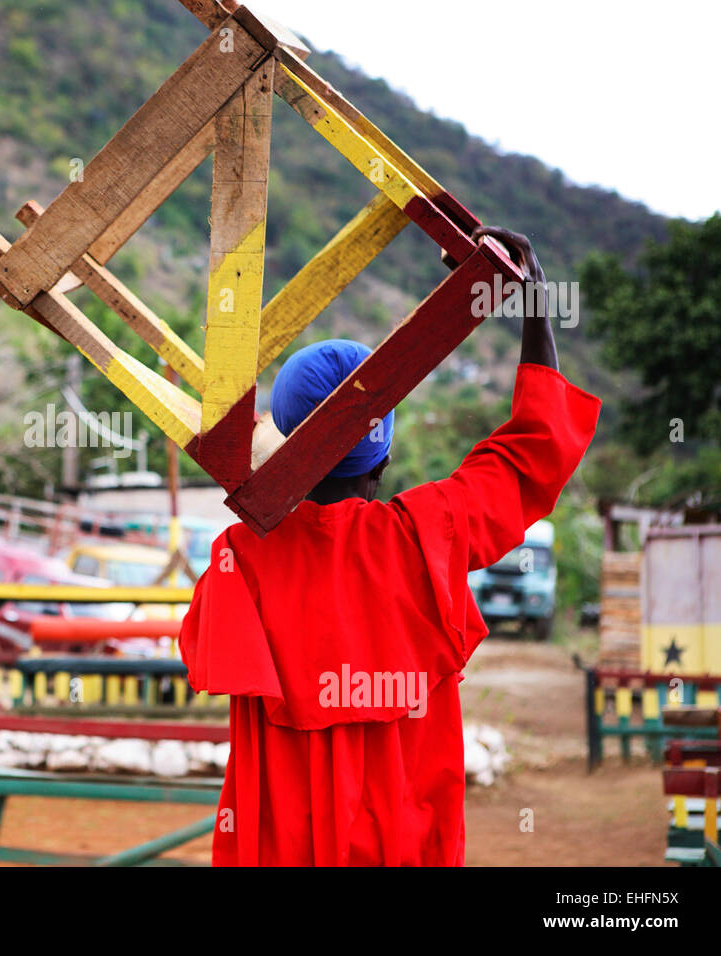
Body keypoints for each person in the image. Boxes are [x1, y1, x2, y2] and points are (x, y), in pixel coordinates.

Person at [179, 228, 601, 865]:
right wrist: (535, 305)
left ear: (286, 444)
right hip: (402, 842)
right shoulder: (430, 531)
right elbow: (533, 451)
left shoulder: (238, 559)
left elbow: (198, 649)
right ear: (383, 459)